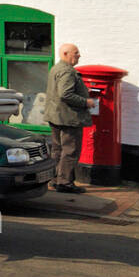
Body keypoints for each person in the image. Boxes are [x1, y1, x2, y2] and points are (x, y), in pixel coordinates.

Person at [44, 42, 97, 194]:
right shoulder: (67, 71)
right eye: (76, 52)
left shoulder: (56, 68)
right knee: (70, 150)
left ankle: (55, 179)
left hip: (55, 116)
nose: (79, 55)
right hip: (68, 117)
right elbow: (65, 94)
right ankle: (65, 183)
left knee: (57, 149)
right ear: (66, 54)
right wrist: (86, 101)